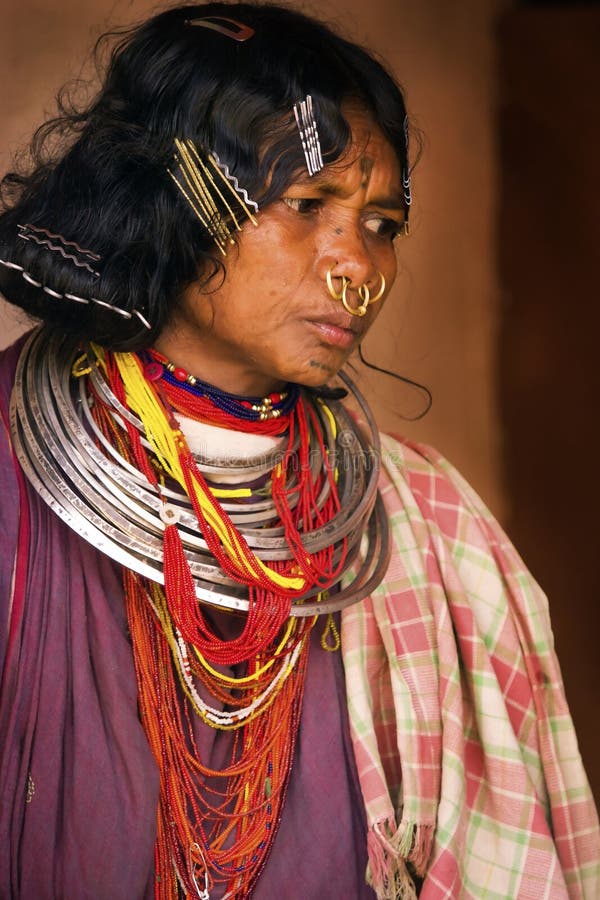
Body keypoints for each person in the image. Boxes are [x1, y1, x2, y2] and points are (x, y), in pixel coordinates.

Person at [0, 4, 597, 898]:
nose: (359, 267)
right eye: (309, 205)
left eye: (383, 223)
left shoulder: (427, 525)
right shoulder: (11, 472)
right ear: (174, 199)